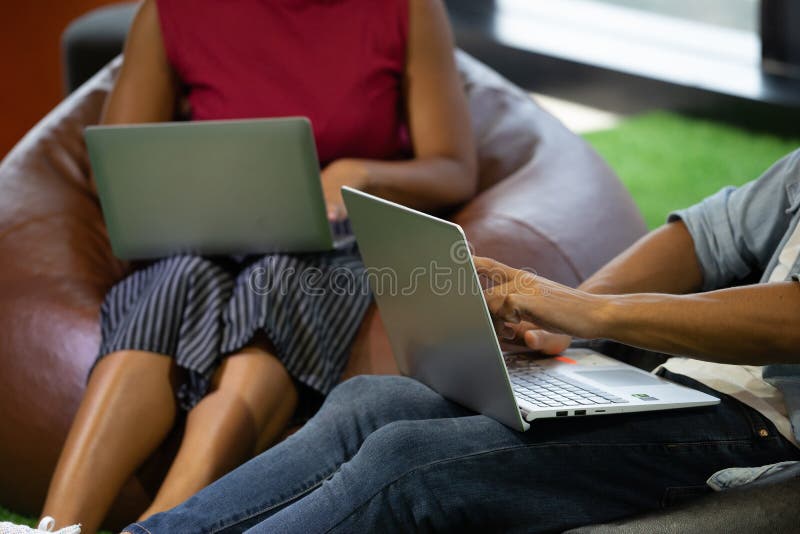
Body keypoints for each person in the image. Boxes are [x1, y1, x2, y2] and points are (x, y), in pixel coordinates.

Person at [109, 149, 800, 533]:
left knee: (409, 461)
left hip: (766, 429)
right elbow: (709, 234)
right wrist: (561, 322)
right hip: (679, 383)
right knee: (373, 402)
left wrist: (591, 313)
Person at [19, 1, 476, 533]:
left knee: (276, 285)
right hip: (205, 229)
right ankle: (54, 527)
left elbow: (454, 169)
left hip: (331, 237)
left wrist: (361, 174)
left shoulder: (407, 9)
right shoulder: (171, 12)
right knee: (174, 283)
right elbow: (114, 166)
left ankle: (160, 528)